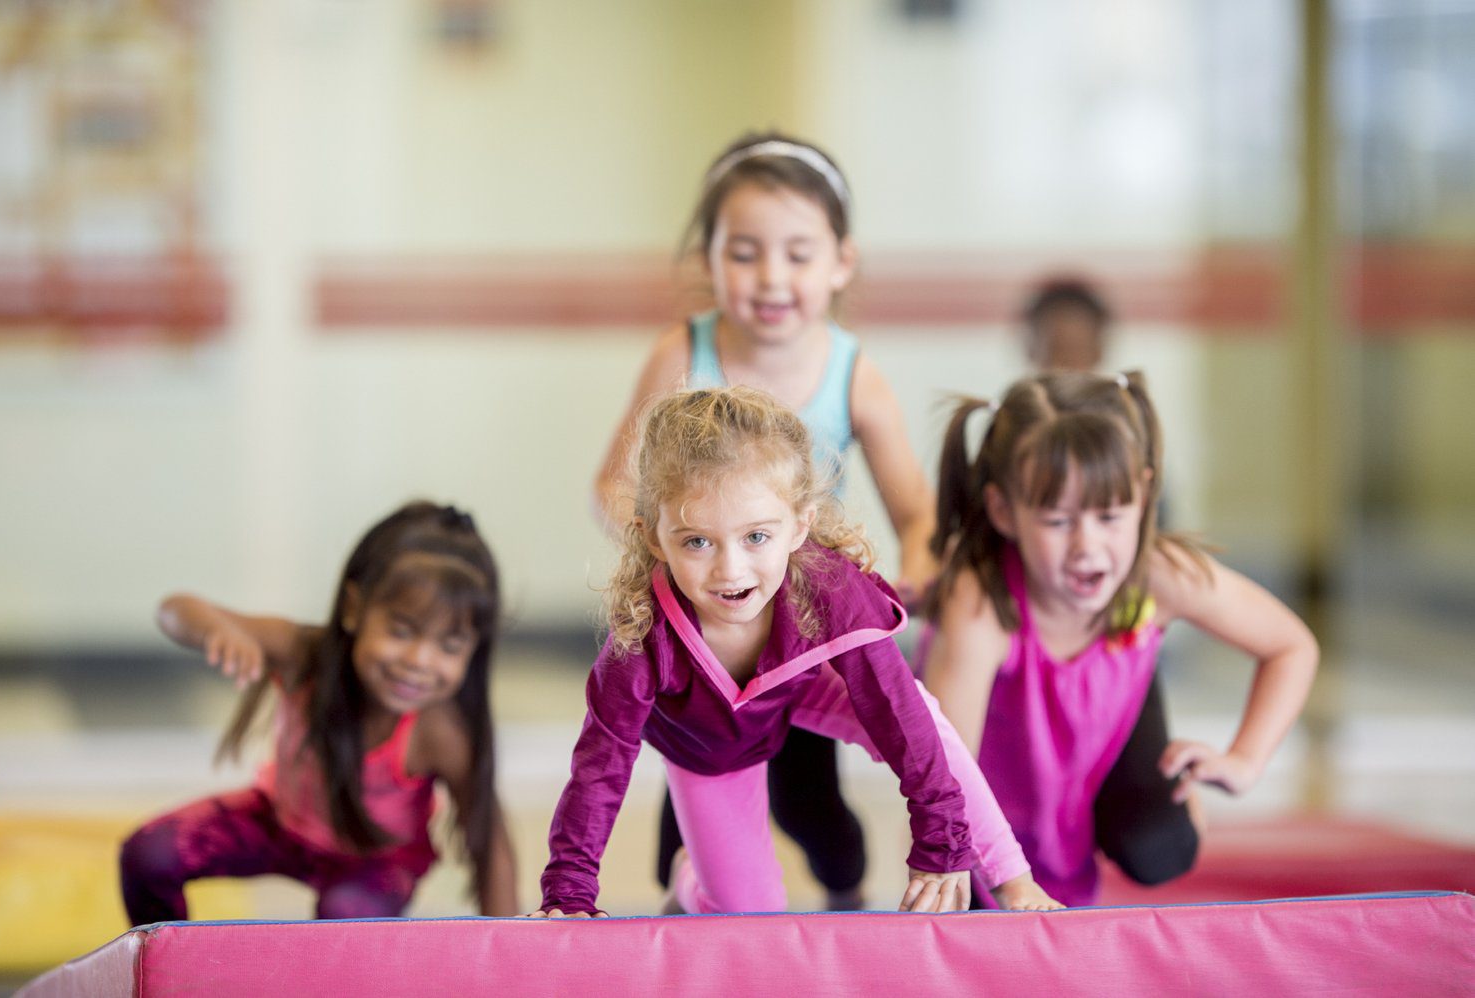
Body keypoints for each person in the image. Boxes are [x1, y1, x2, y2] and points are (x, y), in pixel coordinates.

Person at [534, 387, 1059, 917]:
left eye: (756, 537)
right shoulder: (641, 643)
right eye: (697, 542)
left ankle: (1014, 881)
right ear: (653, 539)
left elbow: (901, 717)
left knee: (924, 711)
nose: (730, 570)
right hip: (708, 743)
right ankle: (692, 879)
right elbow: (600, 769)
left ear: (799, 526)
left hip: (802, 687)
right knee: (750, 914)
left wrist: (942, 841)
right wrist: (570, 892)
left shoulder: (828, 585)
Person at [593, 131, 938, 909]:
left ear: (841, 262)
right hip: (701, 631)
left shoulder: (852, 372)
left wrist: (913, 568)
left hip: (802, 630)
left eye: (798, 253)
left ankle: (843, 886)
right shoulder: (682, 350)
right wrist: (677, 552)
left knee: (811, 802)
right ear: (709, 261)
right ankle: (688, 901)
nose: (771, 276)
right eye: (744, 252)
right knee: (696, 784)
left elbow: (915, 510)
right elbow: (613, 485)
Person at [919, 371, 1318, 907]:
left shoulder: (1158, 574)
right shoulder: (982, 603)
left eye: (1110, 516)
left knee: (1160, 849)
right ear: (1004, 512)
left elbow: (1291, 646)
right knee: (980, 895)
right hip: (997, 776)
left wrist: (1244, 761)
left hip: (1105, 710)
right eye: (1059, 520)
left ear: (1145, 494)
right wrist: (993, 884)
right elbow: (944, 773)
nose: (1088, 546)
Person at [119, 501, 519, 922]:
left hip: (377, 863)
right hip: (277, 824)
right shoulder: (302, 654)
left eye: (450, 645)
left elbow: (491, 845)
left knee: (346, 915)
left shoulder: (440, 731)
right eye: (402, 630)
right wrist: (220, 631)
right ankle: (164, 972)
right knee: (149, 854)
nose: (420, 659)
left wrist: (512, 964)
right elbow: (174, 610)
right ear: (353, 608)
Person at [1019, 277, 1111, 373]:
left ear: (1098, 353)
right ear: (1031, 351)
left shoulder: (1120, 387)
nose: (1067, 369)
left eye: (1078, 352)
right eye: (1056, 352)